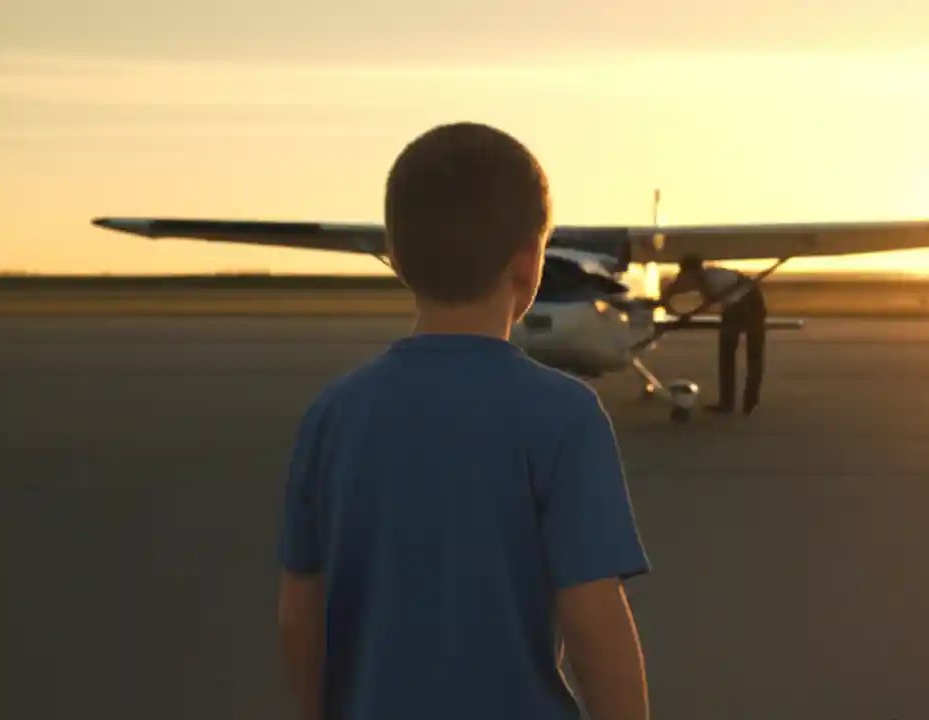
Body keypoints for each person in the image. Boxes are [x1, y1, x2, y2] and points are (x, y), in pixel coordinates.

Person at [276, 122, 651, 720]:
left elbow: (299, 613)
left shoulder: (332, 415)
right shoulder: (566, 415)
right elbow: (592, 620)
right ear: (529, 264)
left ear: (396, 259)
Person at [660, 253, 767, 415]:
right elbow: (700, 300)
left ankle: (749, 402)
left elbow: (704, 301)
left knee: (752, 354)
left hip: (749, 301)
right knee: (728, 354)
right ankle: (729, 403)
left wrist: (687, 316)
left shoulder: (708, 278)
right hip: (735, 305)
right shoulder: (702, 278)